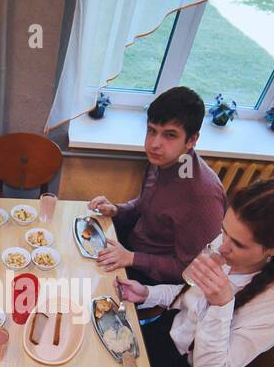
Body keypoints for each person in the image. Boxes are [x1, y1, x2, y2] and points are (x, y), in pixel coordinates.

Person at [116, 179, 274, 367]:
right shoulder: (225, 242)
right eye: (224, 230)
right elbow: (188, 295)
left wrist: (221, 306)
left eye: (238, 243)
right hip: (164, 337)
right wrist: (148, 294)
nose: (223, 246)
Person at [86, 86, 226, 285]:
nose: (154, 144)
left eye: (169, 135)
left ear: (192, 140)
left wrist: (132, 258)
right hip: (133, 245)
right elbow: (148, 204)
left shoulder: (202, 196)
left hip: (153, 279)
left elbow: (193, 271)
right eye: (152, 131)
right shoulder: (164, 160)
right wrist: (118, 209)